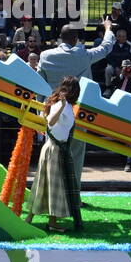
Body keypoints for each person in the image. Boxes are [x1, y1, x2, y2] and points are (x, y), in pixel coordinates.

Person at [36, 16, 116, 195]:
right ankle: (73, 195)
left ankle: (53, 195)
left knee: (54, 155)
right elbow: (106, 47)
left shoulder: (45, 56)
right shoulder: (83, 55)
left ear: (60, 39)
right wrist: (108, 28)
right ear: (75, 39)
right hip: (77, 113)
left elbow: (38, 87)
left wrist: (40, 114)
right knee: (76, 157)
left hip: (54, 114)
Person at [25, 76, 82, 233]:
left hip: (56, 149)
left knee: (51, 186)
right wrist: (62, 106)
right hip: (54, 149)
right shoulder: (61, 105)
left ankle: (50, 222)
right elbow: (50, 122)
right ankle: (30, 220)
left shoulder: (68, 106)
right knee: (50, 186)